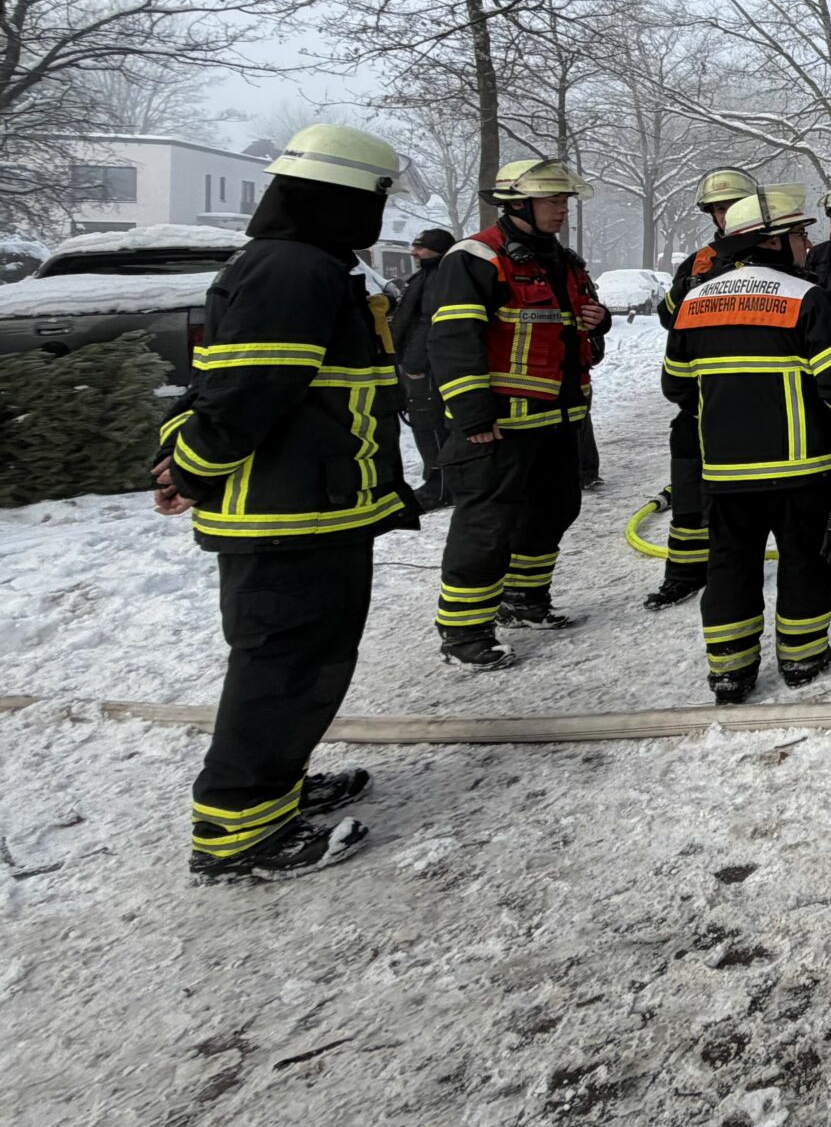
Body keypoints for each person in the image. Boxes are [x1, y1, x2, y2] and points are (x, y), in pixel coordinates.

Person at [154, 124, 416, 882]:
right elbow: (248, 388)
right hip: (288, 516)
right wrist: (192, 471)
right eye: (374, 198)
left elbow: (226, 385)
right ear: (342, 199)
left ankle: (276, 790)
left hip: (315, 509)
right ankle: (239, 832)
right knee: (282, 668)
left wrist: (182, 461)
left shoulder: (307, 265)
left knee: (307, 663)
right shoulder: (294, 270)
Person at [662, 184, 831, 702]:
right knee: (805, 560)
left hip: (726, 472)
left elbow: (677, 386)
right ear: (771, 241)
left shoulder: (694, 301)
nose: (805, 241)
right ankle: (802, 658)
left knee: (729, 565)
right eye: (798, 233)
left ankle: (730, 670)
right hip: (801, 468)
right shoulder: (805, 299)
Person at [424, 157, 611, 669]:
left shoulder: (564, 261)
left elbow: (578, 328)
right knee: (487, 525)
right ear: (518, 203)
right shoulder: (477, 258)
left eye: (565, 201)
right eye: (553, 200)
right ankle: (464, 631)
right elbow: (452, 342)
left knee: (555, 508)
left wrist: (600, 320)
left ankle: (524, 601)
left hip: (556, 418)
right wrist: (472, 416)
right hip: (499, 425)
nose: (562, 210)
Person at [643, 167, 762, 612]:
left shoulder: (776, 254)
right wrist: (692, 291)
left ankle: (741, 565)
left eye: (732, 206)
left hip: (761, 398)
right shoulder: (698, 262)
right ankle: (685, 572)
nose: (725, 215)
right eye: (718, 208)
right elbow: (669, 316)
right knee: (690, 489)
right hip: (702, 399)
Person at [388, 228, 455, 509]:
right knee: (425, 425)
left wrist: (416, 363)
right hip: (419, 364)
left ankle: (441, 488)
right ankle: (436, 481)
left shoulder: (440, 277)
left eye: (421, 247)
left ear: (437, 249)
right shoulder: (426, 275)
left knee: (431, 427)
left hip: (427, 368)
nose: (414, 252)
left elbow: (429, 323)